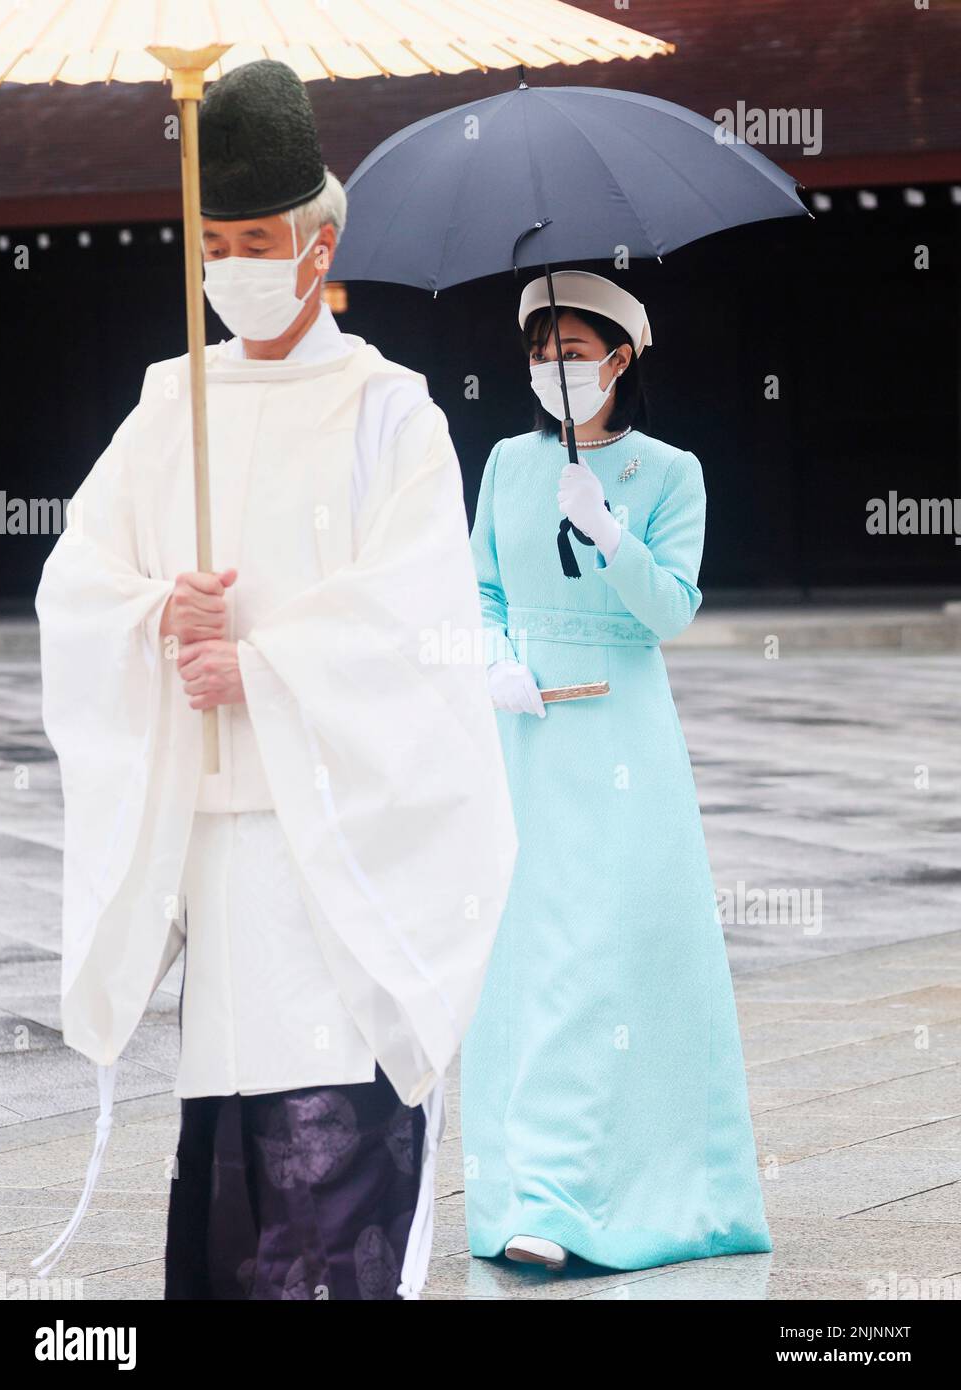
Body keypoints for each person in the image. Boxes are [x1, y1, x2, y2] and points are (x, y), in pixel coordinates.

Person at [32, 59, 516, 1301]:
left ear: (316, 245)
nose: (235, 262)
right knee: (229, 1135)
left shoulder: (389, 414)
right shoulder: (165, 405)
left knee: (330, 1119)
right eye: (216, 240)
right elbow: (77, 582)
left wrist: (263, 664)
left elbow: (417, 614)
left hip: (333, 831)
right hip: (215, 830)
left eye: (259, 239)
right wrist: (155, 614)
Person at [460, 269, 771, 1273]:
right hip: (526, 738)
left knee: (613, 958)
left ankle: (605, 1194)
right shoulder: (507, 461)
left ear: (619, 358)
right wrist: (493, 655)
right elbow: (481, 585)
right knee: (530, 957)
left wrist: (606, 529)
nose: (554, 369)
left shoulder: (669, 472)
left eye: (572, 350)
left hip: (624, 737)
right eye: (539, 352)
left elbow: (671, 610)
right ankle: (525, 1190)